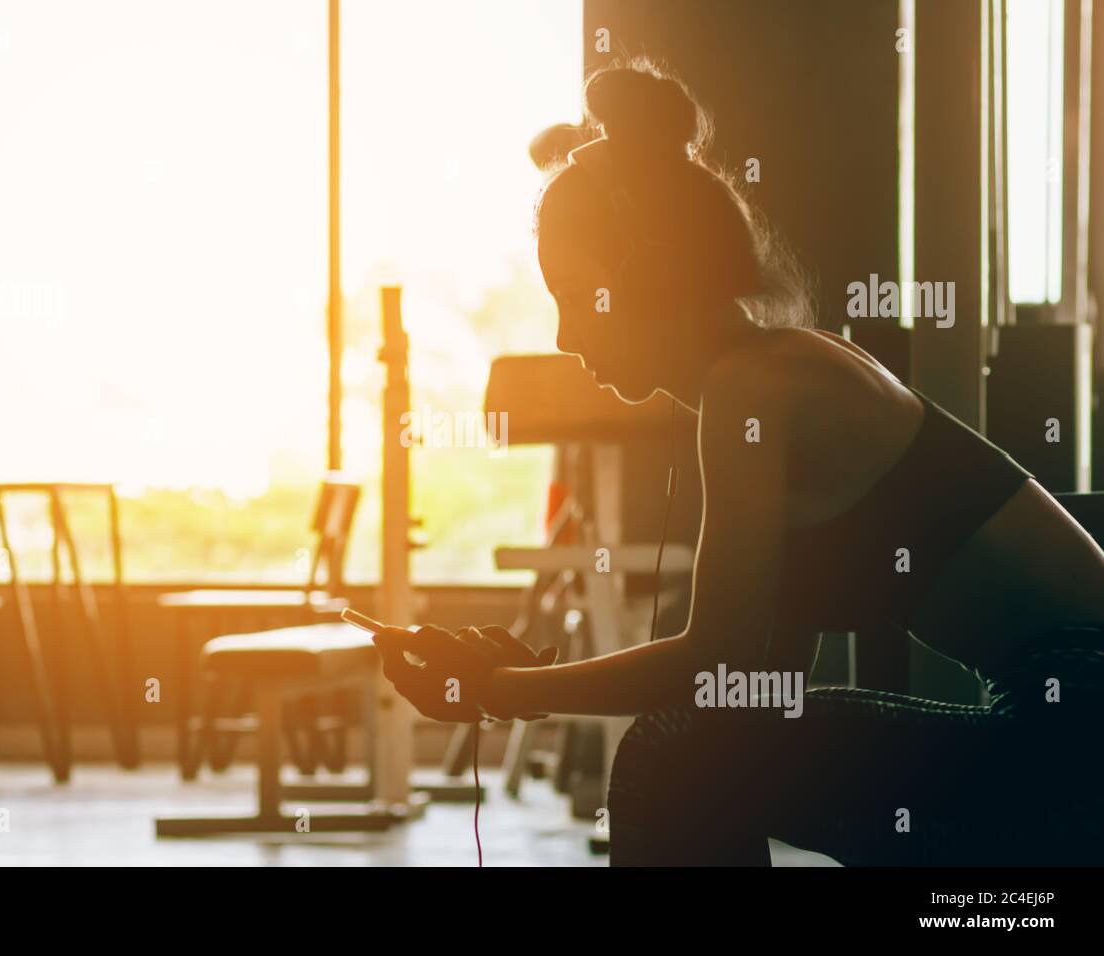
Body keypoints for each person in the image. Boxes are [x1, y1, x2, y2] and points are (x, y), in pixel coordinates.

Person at [374, 59, 1104, 866]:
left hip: (1076, 724)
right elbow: (745, 685)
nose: (565, 336)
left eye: (582, 297)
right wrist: (516, 681)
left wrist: (503, 693)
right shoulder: (772, 377)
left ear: (652, 274)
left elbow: (711, 665)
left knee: (677, 758)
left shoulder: (756, 389)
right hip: (1068, 715)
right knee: (698, 746)